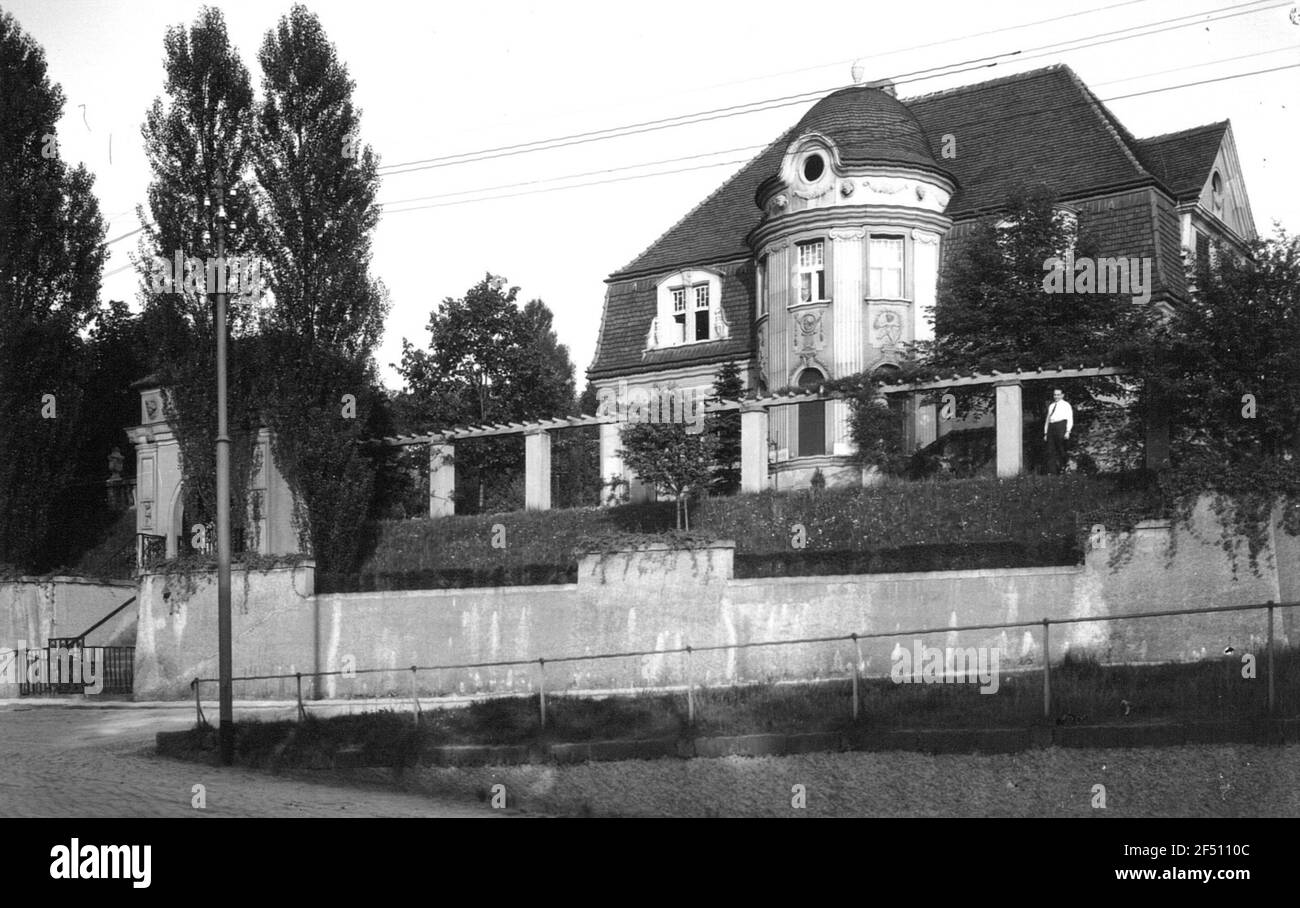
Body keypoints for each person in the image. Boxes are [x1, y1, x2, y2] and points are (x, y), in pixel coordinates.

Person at [1043, 388, 1073, 474]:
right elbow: (1047, 420)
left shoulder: (1066, 405)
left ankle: (1064, 468)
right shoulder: (1051, 406)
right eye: (1055, 395)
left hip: (1061, 426)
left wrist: (1068, 431)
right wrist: (1045, 433)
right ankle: (1052, 472)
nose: (1056, 396)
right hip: (1051, 427)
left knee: (1061, 448)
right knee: (1050, 450)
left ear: (1062, 395)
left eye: (1058, 395)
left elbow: (1070, 418)